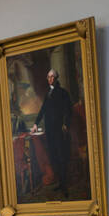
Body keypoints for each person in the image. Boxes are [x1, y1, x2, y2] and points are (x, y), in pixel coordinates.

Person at [33, 68, 73, 197]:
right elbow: (43, 110)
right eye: (48, 77)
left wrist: (65, 124)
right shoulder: (48, 93)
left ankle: (65, 186)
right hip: (49, 131)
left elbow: (68, 110)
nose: (50, 79)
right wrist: (35, 123)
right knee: (53, 157)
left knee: (62, 157)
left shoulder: (62, 93)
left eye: (52, 77)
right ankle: (60, 183)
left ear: (56, 78)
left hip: (59, 130)